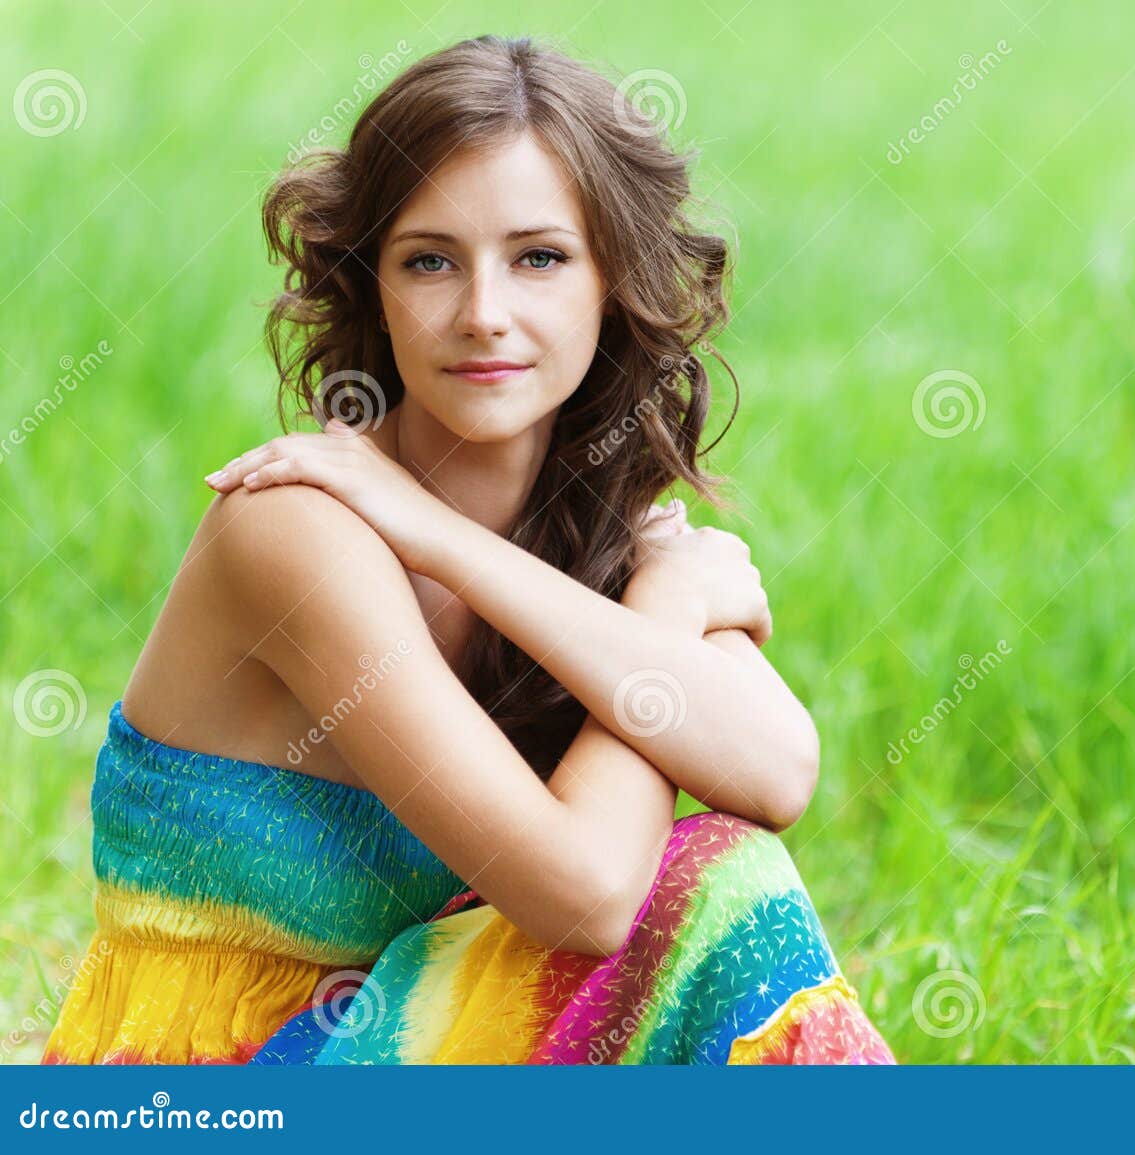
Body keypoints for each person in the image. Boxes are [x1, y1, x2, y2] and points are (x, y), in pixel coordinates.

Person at [41, 34, 893, 1066]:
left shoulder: (590, 533)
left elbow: (778, 771)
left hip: (411, 1052)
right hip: (211, 1086)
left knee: (727, 866)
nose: (484, 315)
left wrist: (454, 542)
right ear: (373, 289)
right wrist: (658, 616)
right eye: (429, 261)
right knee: (715, 895)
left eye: (538, 257)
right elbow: (586, 898)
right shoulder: (295, 532)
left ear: (610, 282)